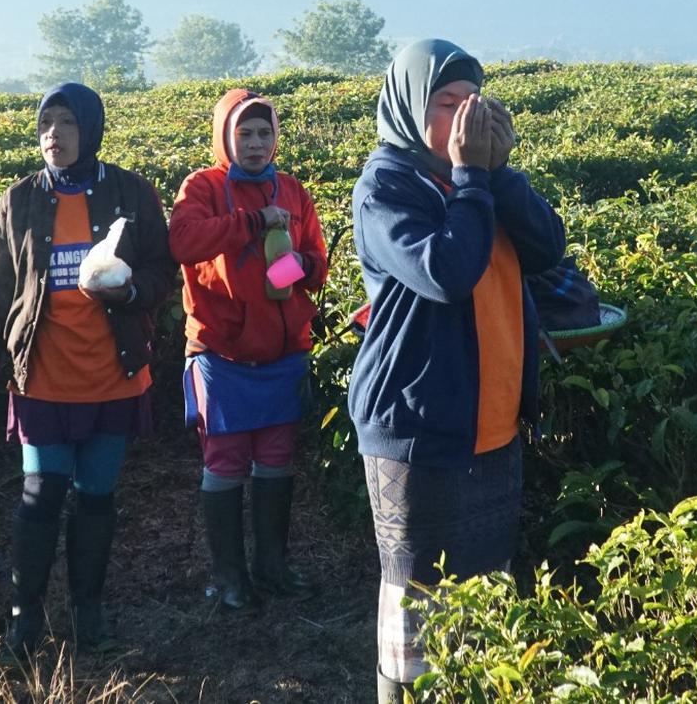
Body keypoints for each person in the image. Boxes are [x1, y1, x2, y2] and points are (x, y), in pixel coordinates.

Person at [347, 40, 566, 701]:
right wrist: (473, 179)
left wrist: (497, 174)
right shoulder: (387, 186)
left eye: (477, 100)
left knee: (482, 599)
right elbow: (446, 271)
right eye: (448, 102)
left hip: (492, 424)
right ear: (412, 109)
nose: (467, 115)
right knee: (419, 608)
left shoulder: (476, 180)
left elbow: (547, 248)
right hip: (417, 427)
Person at [0, 82, 175, 657]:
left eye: (67, 123)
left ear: (91, 129)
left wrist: (132, 292)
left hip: (113, 373)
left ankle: (89, 610)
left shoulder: (131, 193)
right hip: (44, 380)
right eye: (45, 124)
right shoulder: (18, 202)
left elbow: (163, 271)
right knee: (39, 494)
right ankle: (24, 616)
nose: (53, 135)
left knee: (96, 496)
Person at [168, 89, 327, 611]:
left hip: (283, 353)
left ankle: (272, 567)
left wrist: (287, 269)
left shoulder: (293, 190)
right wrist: (254, 225)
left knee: (276, 458)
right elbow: (186, 243)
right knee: (227, 458)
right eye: (245, 133)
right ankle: (230, 576)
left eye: (264, 132)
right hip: (222, 354)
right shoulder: (203, 187)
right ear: (225, 137)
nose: (256, 143)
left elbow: (316, 264)